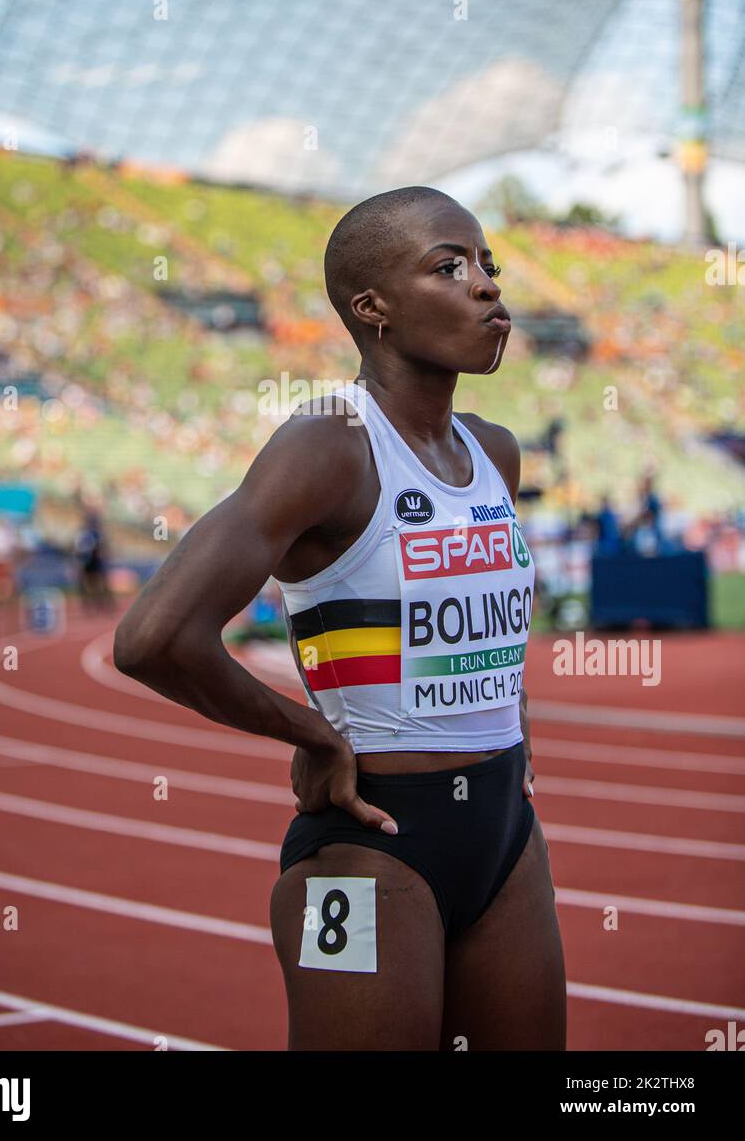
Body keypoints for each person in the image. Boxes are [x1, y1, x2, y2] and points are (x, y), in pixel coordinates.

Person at [113, 187, 566, 1051]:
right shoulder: (327, 443)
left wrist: (513, 734)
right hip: (378, 842)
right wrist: (316, 735)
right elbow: (153, 638)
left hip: (508, 832)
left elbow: (479, 633)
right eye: (449, 266)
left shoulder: (494, 452)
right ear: (373, 309)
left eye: (488, 265)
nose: (486, 287)